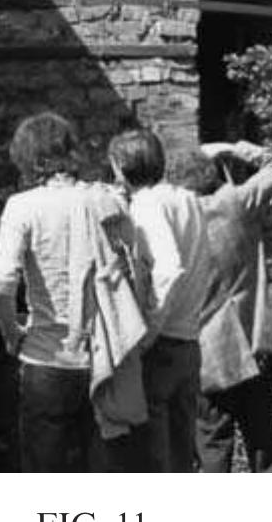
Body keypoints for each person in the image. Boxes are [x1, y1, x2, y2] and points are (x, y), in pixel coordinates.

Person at [0, 111, 147, 472]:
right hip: (106, 359)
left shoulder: (23, 207)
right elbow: (137, 272)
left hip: (47, 361)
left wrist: (12, 335)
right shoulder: (108, 201)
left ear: (29, 158)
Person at [174, 139, 272, 473]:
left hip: (207, 354)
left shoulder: (175, 221)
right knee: (266, 441)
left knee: (212, 444)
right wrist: (232, 147)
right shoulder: (238, 202)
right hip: (255, 340)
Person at [107, 127, 213, 472]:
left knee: (153, 460)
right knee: (183, 454)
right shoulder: (187, 199)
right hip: (189, 340)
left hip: (162, 345)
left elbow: (169, 270)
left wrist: (148, 331)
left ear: (121, 166)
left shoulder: (148, 204)